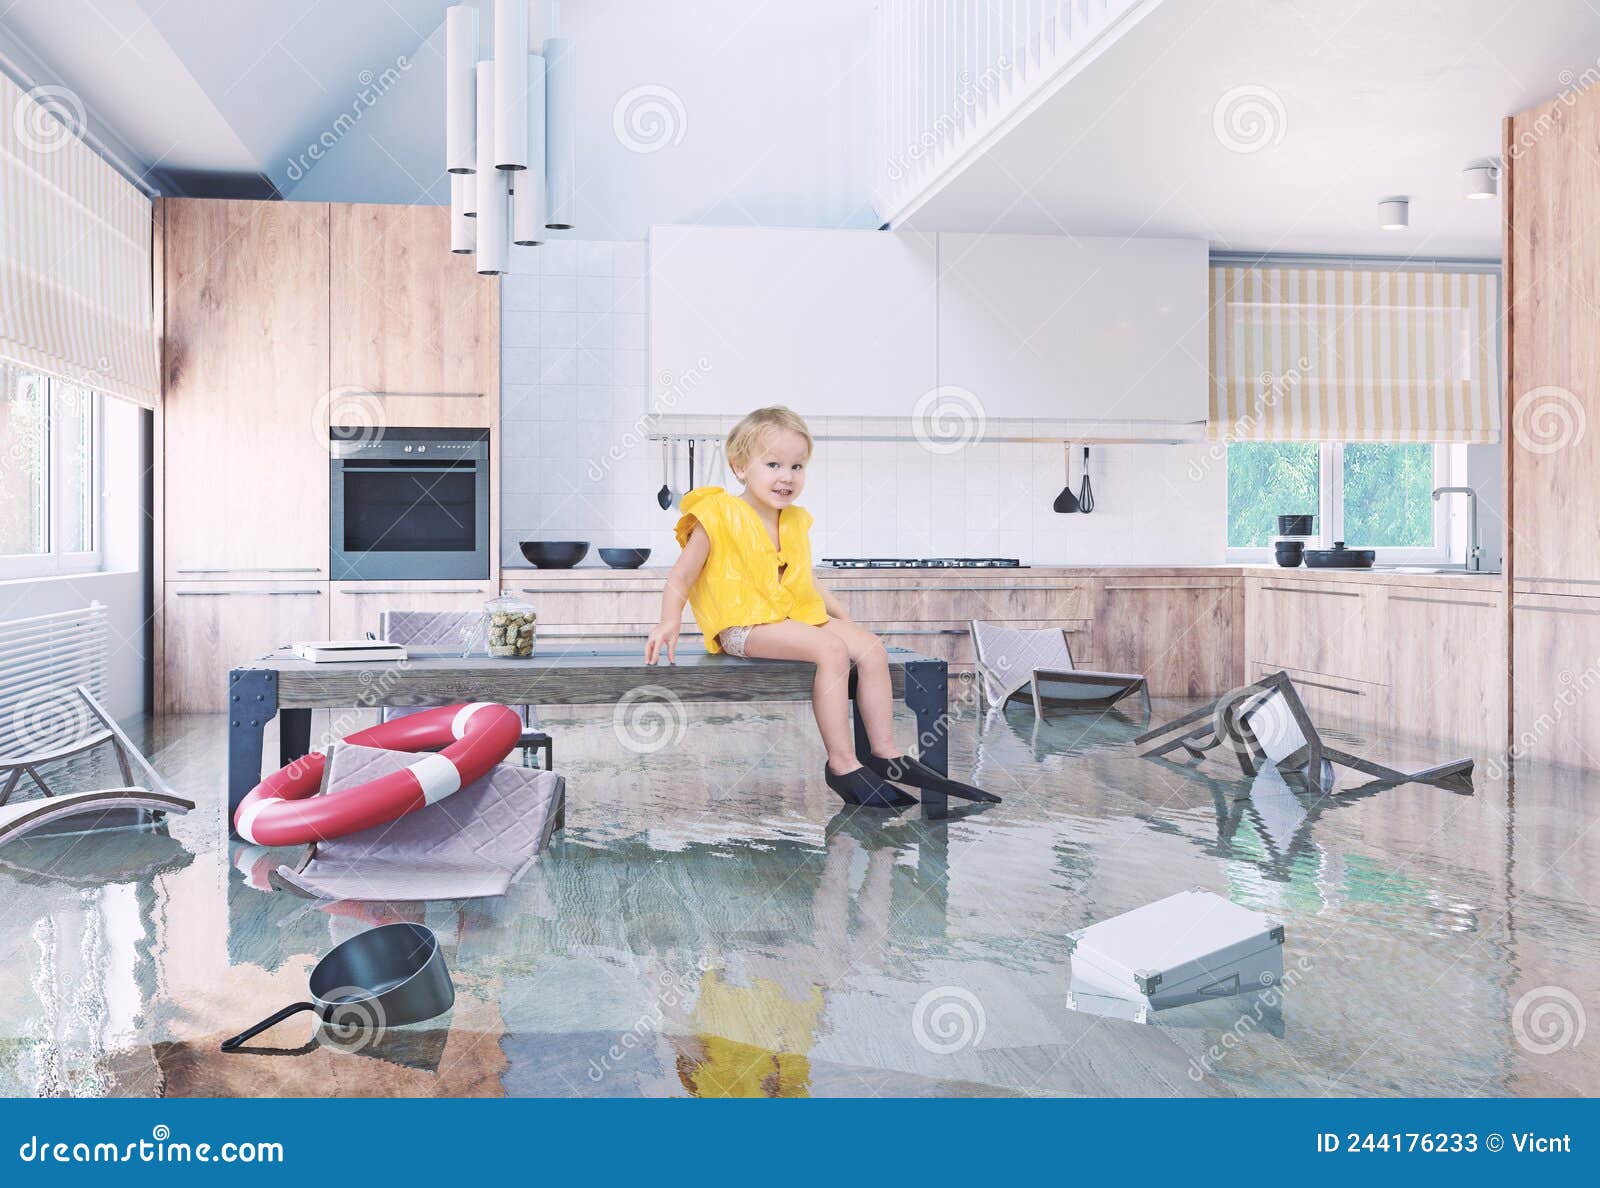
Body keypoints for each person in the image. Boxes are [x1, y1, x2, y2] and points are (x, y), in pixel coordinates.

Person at [645, 405, 997, 808]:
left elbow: (802, 579)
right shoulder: (717, 513)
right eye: (773, 463)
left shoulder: (793, 521)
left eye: (797, 466)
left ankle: (884, 753)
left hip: (792, 616)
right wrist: (668, 621)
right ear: (741, 467)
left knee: (870, 647)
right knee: (829, 650)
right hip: (743, 625)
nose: (786, 476)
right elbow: (681, 576)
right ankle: (843, 764)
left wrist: (841, 616)